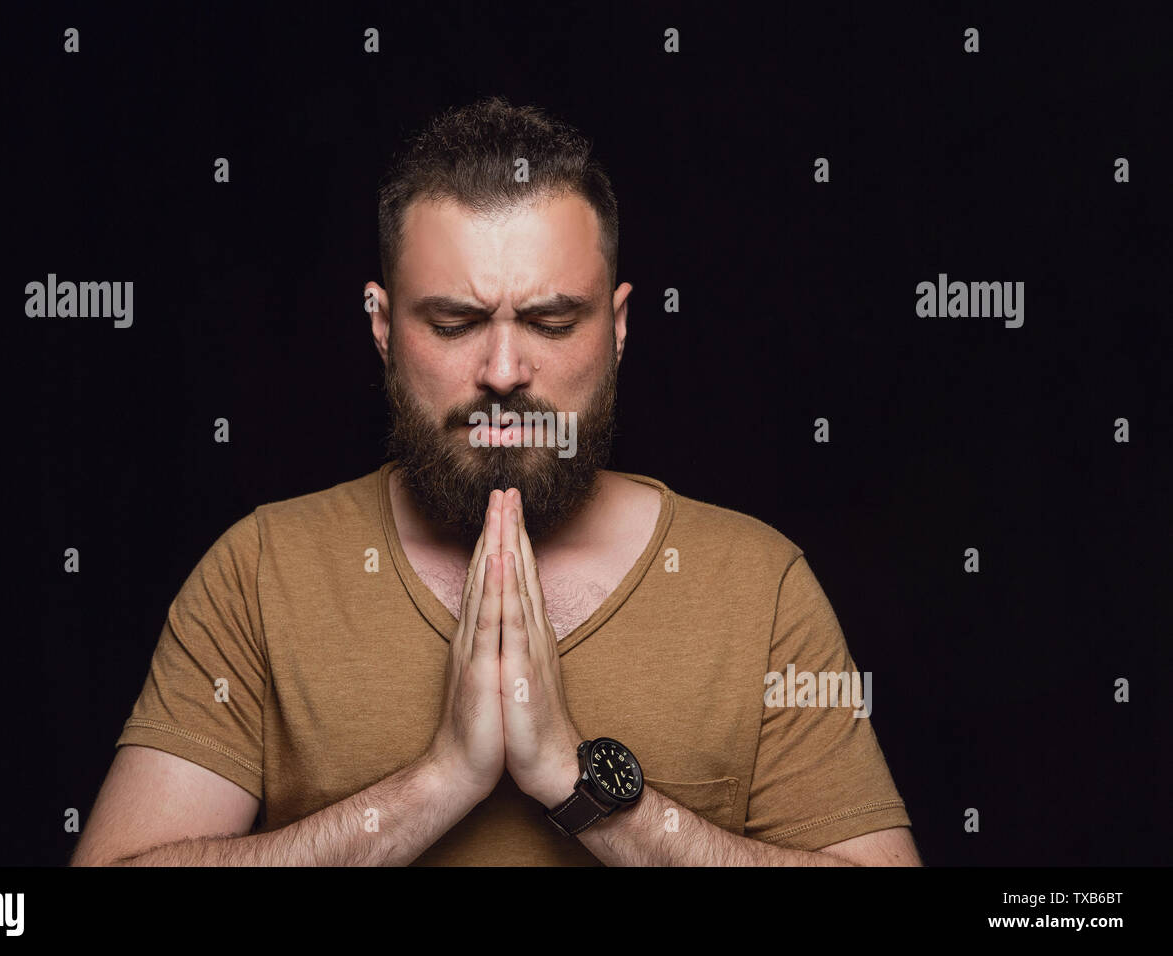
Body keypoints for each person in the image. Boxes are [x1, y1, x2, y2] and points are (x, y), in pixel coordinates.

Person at [70, 96, 921, 866]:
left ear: (620, 327)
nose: (505, 370)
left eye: (552, 322)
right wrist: (438, 783)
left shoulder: (758, 585)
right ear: (382, 328)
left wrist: (581, 788)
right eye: (454, 323)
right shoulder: (259, 573)